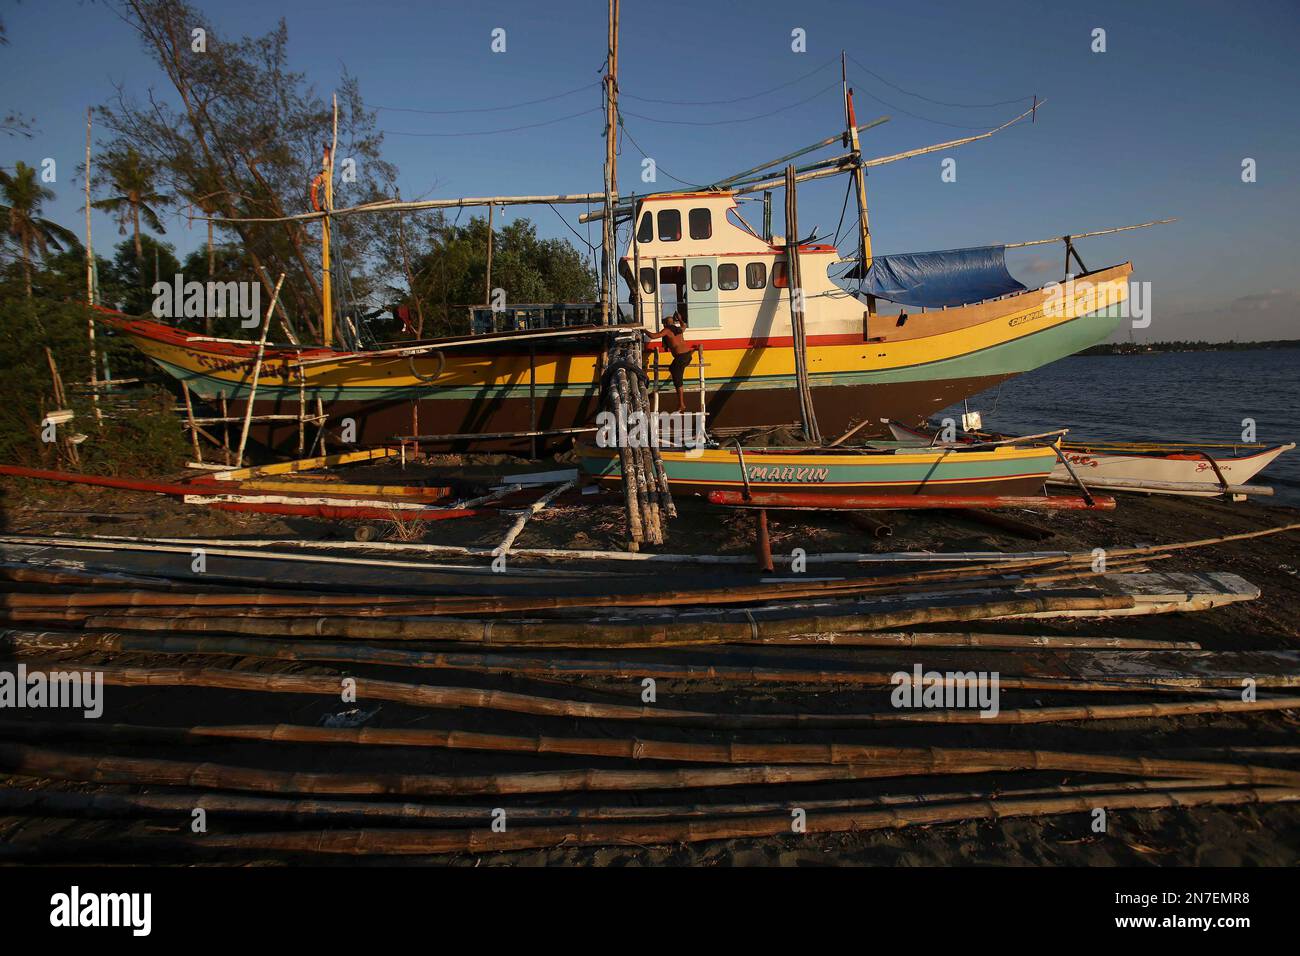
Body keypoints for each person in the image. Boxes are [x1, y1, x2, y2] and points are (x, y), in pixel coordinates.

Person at [645, 312, 694, 412]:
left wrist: (643, 330)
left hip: (680, 358)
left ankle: (682, 404)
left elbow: (653, 336)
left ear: (666, 324)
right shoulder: (679, 329)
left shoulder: (667, 330)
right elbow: (684, 325)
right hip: (688, 356)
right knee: (672, 368)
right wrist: (680, 319)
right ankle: (678, 401)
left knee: (678, 381)